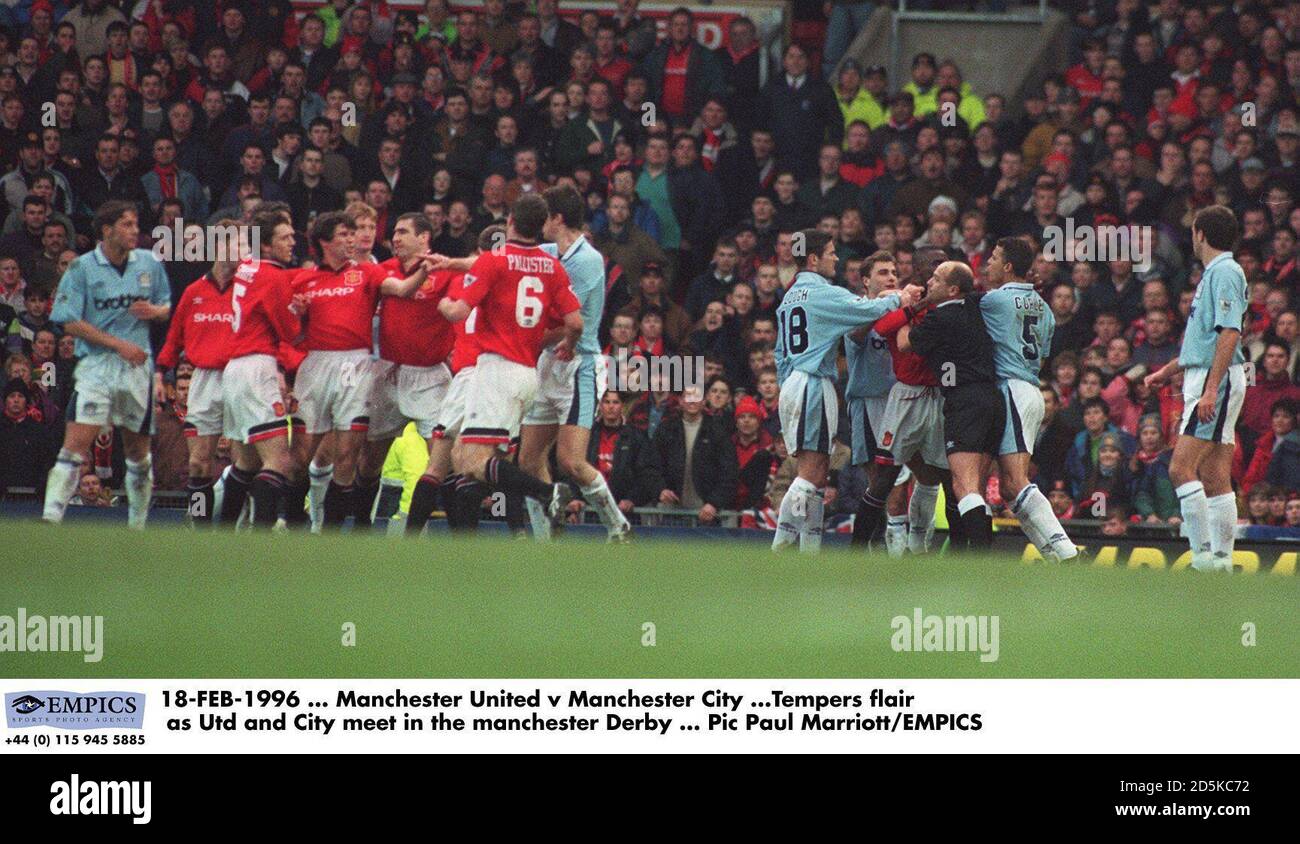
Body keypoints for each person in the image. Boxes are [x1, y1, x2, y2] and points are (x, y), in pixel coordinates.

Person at [437, 193, 583, 532]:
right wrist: (568, 345)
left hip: (496, 372)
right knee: (473, 459)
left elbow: (457, 312)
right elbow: (575, 323)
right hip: (527, 375)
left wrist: (443, 304)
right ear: (542, 227)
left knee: (471, 460)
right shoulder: (553, 267)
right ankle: (482, 541)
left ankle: (549, 492)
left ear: (511, 222)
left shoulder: (494, 260)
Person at [771, 228, 919, 552]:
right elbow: (865, 311)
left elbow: (779, 353)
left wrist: (788, 385)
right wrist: (900, 298)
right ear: (813, 259)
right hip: (812, 382)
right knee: (810, 474)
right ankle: (781, 546)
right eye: (831, 253)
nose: (836, 258)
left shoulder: (789, 298)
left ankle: (809, 550)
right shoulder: (823, 293)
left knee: (817, 476)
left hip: (795, 380)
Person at [290, 210, 432, 530]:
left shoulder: (368, 272)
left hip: (356, 365)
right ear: (324, 242)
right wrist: (298, 316)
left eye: (354, 233)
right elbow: (291, 335)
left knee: (347, 455)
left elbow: (402, 289)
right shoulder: (303, 280)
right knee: (300, 457)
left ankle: (333, 532)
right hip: (315, 365)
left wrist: (424, 270)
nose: (352, 240)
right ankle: (298, 520)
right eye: (344, 234)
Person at [43, 202, 171, 529]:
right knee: (74, 446)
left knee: (137, 453)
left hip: (137, 370)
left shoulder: (149, 263)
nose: (134, 231)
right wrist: (117, 344)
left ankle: (137, 526)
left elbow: (166, 307)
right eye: (127, 224)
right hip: (96, 366)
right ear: (107, 230)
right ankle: (50, 519)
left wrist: (154, 312)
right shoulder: (81, 268)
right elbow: (67, 320)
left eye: (136, 224)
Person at [518, 185, 632, 542]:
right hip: (547, 364)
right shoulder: (549, 252)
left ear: (557, 218)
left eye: (544, 216)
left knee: (571, 462)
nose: (540, 224)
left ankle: (618, 527)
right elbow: (509, 258)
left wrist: (520, 342)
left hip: (578, 364)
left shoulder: (588, 260)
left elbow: (570, 323)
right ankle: (546, 538)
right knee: (528, 461)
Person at [1145, 206, 1249, 573]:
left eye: (1193, 231)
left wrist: (1210, 389)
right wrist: (1168, 370)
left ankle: (1202, 559)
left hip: (1214, 379)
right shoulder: (1214, 273)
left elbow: (1230, 333)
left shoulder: (1225, 272)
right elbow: (1204, 341)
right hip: (1207, 376)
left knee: (1180, 468)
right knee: (1215, 474)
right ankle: (1221, 562)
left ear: (1200, 234)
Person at [354, 213, 457, 530]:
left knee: (441, 460)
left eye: (403, 232)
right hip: (387, 374)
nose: (395, 238)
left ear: (424, 237)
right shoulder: (383, 270)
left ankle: (457, 533)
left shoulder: (446, 272)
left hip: (429, 377)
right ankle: (361, 525)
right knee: (370, 459)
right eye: (394, 232)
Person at [981, 237, 1079, 562]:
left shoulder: (994, 300)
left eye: (994, 257)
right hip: (1032, 389)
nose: (989, 263)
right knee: (1009, 488)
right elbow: (1044, 354)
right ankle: (1056, 557)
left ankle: (1066, 551)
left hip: (1012, 389)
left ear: (1008, 266)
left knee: (1016, 481)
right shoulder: (1044, 308)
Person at [901, 261, 1002, 551]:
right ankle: (981, 552)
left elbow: (905, 343)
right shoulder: (975, 305)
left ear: (953, 290)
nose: (929, 283)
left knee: (963, 485)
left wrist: (907, 308)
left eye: (936, 279)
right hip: (992, 400)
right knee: (976, 487)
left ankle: (980, 558)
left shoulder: (940, 317)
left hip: (964, 401)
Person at [154, 221, 242, 524]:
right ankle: (199, 523)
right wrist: (160, 372)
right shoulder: (194, 292)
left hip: (239, 376)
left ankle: (231, 525)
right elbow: (173, 338)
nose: (242, 251)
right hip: (203, 378)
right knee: (198, 462)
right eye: (235, 243)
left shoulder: (248, 291)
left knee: (241, 463)